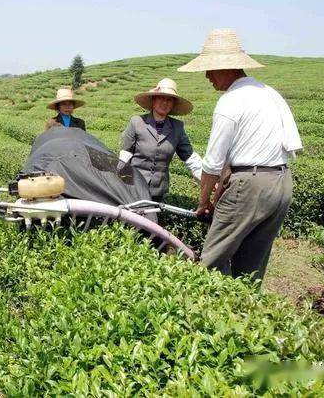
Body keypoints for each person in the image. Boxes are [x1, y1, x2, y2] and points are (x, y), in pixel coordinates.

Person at [178, 28, 303, 281]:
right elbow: (235, 160)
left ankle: (210, 315)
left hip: (251, 185)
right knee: (251, 267)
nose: (207, 76)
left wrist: (204, 203)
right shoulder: (269, 93)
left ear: (228, 67)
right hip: (281, 184)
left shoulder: (230, 101)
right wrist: (221, 192)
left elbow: (212, 165)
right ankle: (246, 313)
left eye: (211, 69)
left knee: (210, 262)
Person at [119, 78, 202, 202]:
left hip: (158, 191)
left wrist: (207, 179)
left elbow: (190, 157)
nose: (165, 103)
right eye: (161, 98)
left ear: (173, 104)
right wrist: (116, 180)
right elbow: (125, 154)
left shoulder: (177, 127)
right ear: (153, 100)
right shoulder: (137, 122)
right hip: (132, 187)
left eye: (169, 100)